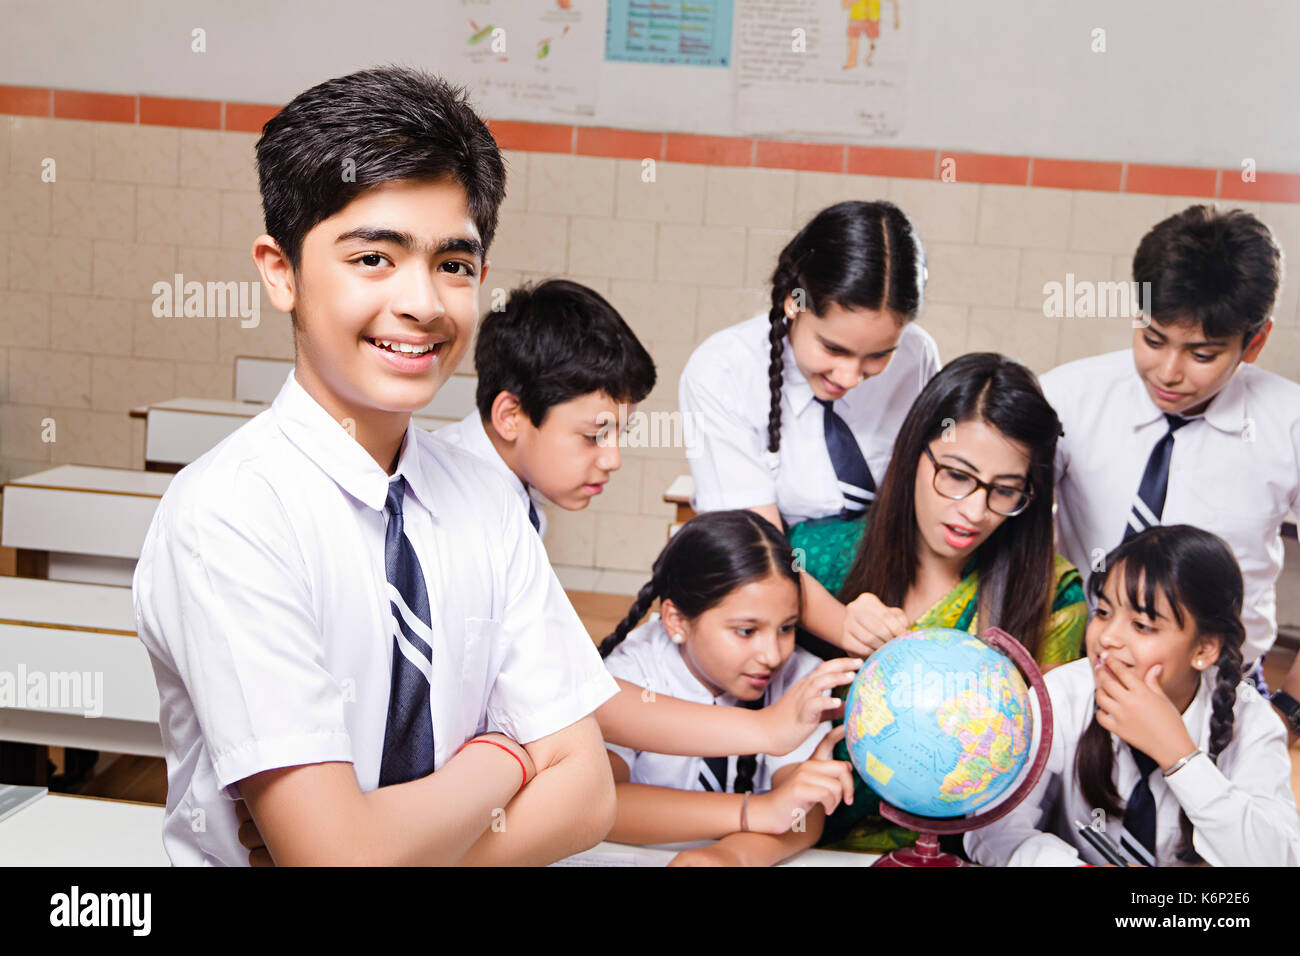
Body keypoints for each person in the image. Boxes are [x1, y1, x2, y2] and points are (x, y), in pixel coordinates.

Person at [132, 67, 618, 866]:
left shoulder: (485, 502)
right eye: (373, 259)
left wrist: (379, 841)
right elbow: (337, 859)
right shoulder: (230, 515)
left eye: (454, 265)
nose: (423, 303)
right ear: (280, 270)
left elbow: (590, 793)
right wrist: (509, 756)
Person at [789, 352, 1087, 850]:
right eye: (955, 474)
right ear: (914, 452)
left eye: (1005, 491)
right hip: (804, 848)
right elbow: (717, 572)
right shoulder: (823, 557)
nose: (973, 511)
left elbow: (1037, 775)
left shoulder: (1053, 598)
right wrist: (831, 619)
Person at [1040, 205, 1299, 699]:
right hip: (1079, 676)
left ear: (1255, 341)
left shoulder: (1288, 425)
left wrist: (1290, 708)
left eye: (1202, 354)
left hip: (1222, 691)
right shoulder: (1068, 398)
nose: (1168, 371)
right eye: (1153, 339)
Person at [680, 200, 940, 658]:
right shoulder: (722, 371)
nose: (850, 376)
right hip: (769, 602)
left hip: (886, 599)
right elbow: (756, 546)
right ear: (793, 302)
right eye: (833, 348)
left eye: (878, 355)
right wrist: (847, 628)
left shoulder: (917, 356)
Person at [964, 525, 1300, 866]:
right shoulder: (1063, 695)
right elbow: (991, 829)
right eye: (1104, 613)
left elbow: (1280, 859)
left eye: (1142, 625)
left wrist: (1179, 756)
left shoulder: (1250, 722)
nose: (1107, 637)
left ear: (1205, 648)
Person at [597, 510, 857, 866]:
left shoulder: (801, 675)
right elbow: (601, 803)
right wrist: (757, 811)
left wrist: (729, 857)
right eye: (746, 631)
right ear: (676, 621)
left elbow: (803, 814)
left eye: (787, 627)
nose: (772, 655)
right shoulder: (633, 672)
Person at [436, 279, 656, 537]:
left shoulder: (518, 494)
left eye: (622, 433)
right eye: (594, 436)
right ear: (510, 416)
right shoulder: (452, 515)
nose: (613, 460)